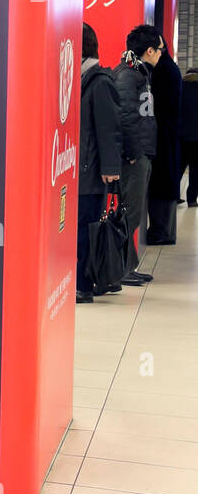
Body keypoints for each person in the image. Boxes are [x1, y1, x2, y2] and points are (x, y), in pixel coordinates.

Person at [76, 23, 123, 303]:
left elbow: (109, 129)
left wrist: (110, 169)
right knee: (83, 228)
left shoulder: (100, 82)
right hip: (80, 170)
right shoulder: (80, 78)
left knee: (88, 229)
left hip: (92, 172)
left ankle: (85, 284)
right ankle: (86, 280)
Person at [112, 24, 162, 285]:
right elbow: (125, 118)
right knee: (129, 212)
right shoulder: (128, 76)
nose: (161, 54)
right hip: (134, 156)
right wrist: (133, 153)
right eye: (160, 50)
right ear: (150, 50)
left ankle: (127, 267)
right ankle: (119, 269)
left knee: (132, 211)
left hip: (142, 152)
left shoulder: (139, 74)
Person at [145, 36, 183, 245]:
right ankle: (164, 231)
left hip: (161, 135)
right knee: (166, 182)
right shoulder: (171, 68)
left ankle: (160, 232)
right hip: (169, 135)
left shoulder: (163, 70)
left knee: (160, 183)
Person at [182, 67, 198, 207]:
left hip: (181, 136)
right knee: (195, 171)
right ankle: (191, 199)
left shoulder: (180, 87)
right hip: (196, 137)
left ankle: (173, 196)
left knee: (178, 168)